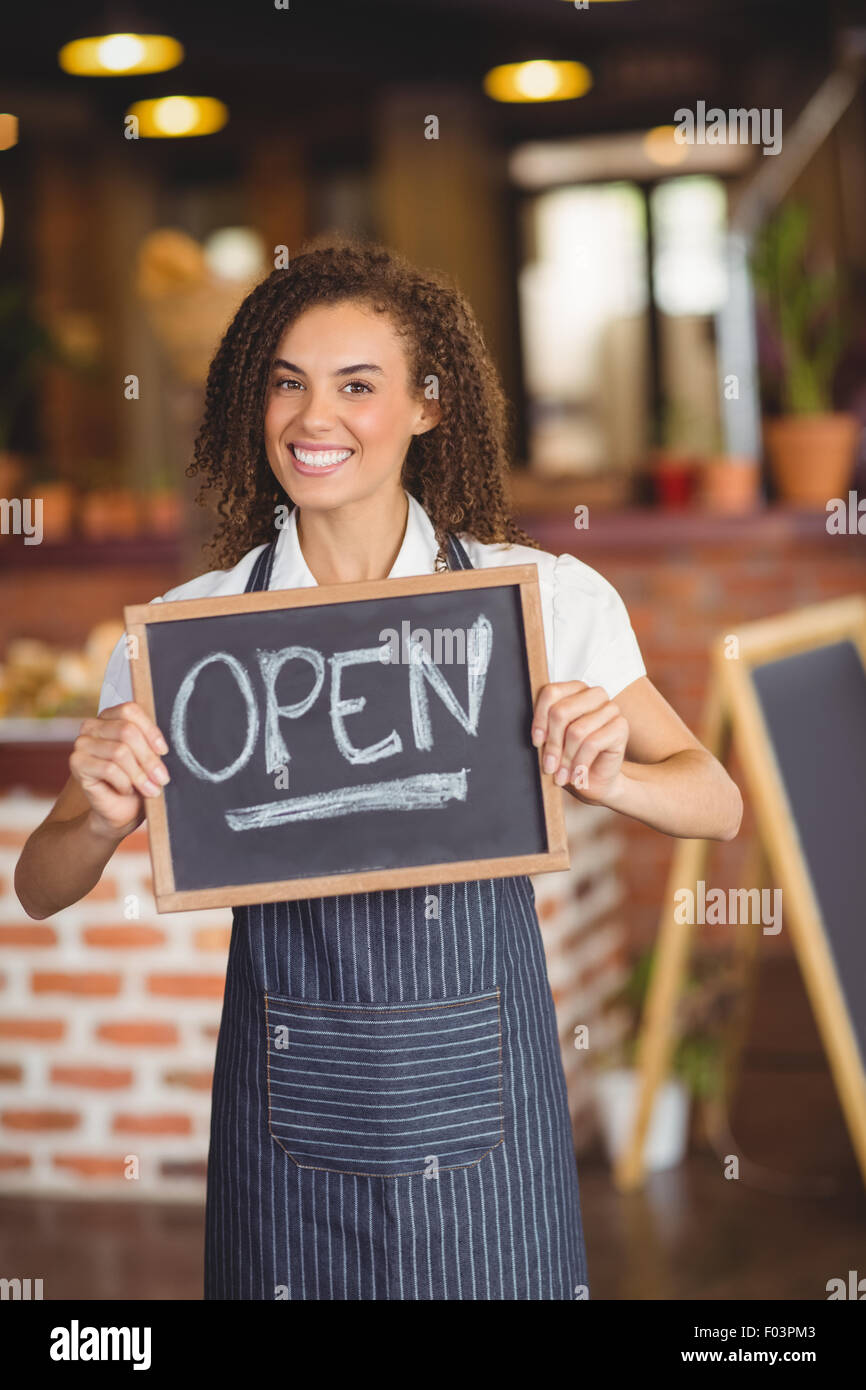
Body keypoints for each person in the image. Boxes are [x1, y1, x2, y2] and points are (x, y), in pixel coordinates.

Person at [15, 234, 742, 1300]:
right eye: (288, 385)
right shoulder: (188, 636)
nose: (315, 420)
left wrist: (608, 773)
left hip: (486, 1105)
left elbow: (714, 801)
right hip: (285, 1115)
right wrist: (95, 811)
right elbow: (41, 884)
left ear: (427, 406)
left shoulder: (532, 603)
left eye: (357, 386)